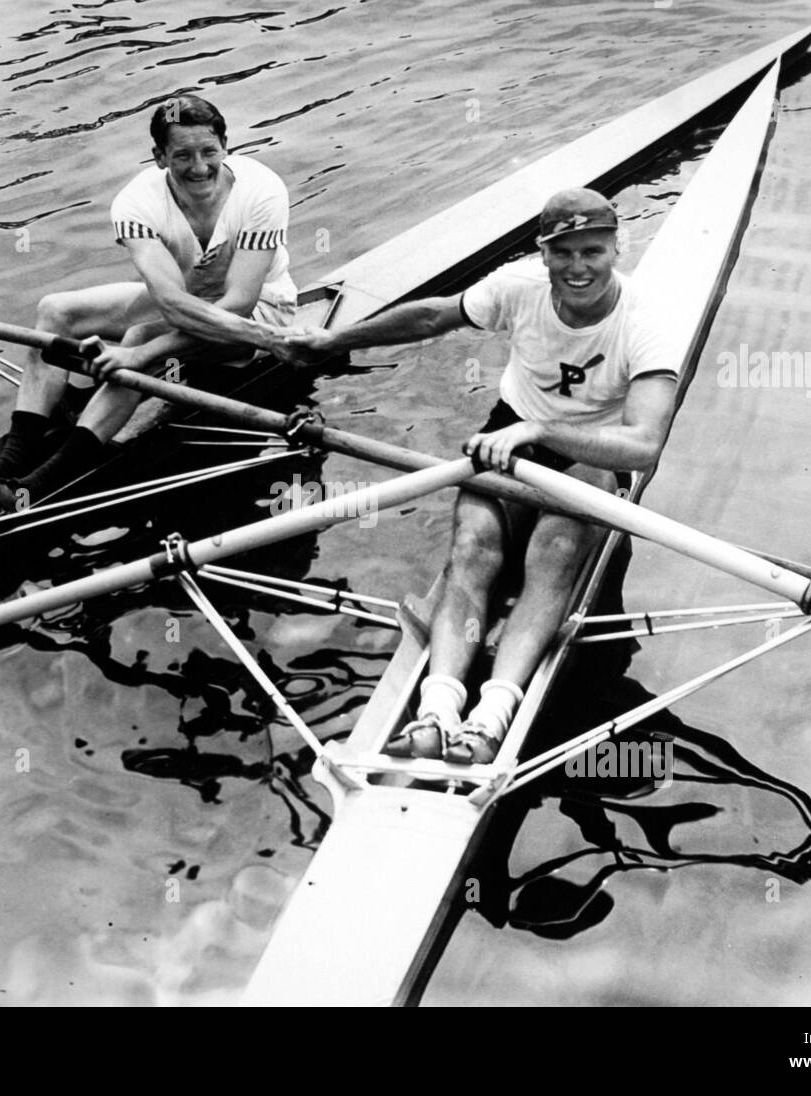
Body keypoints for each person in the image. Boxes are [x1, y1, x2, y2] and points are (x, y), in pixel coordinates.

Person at [263, 188, 679, 764]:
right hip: (510, 433)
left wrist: (539, 432)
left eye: (593, 251)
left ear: (617, 249)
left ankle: (492, 715)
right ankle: (436, 710)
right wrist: (336, 339)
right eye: (563, 254)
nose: (578, 268)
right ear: (543, 255)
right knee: (472, 545)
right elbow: (435, 314)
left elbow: (643, 445)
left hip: (594, 451)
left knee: (555, 548)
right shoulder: (517, 287)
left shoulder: (647, 321)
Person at [0, 94, 296, 509]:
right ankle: (12, 459)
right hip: (185, 303)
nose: (199, 167)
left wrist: (142, 353)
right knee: (55, 311)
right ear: (159, 157)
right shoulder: (136, 202)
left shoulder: (262, 191)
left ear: (226, 147)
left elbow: (237, 303)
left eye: (209, 152)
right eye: (182, 155)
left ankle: (32, 489)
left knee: (138, 339)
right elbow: (170, 301)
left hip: (260, 317)